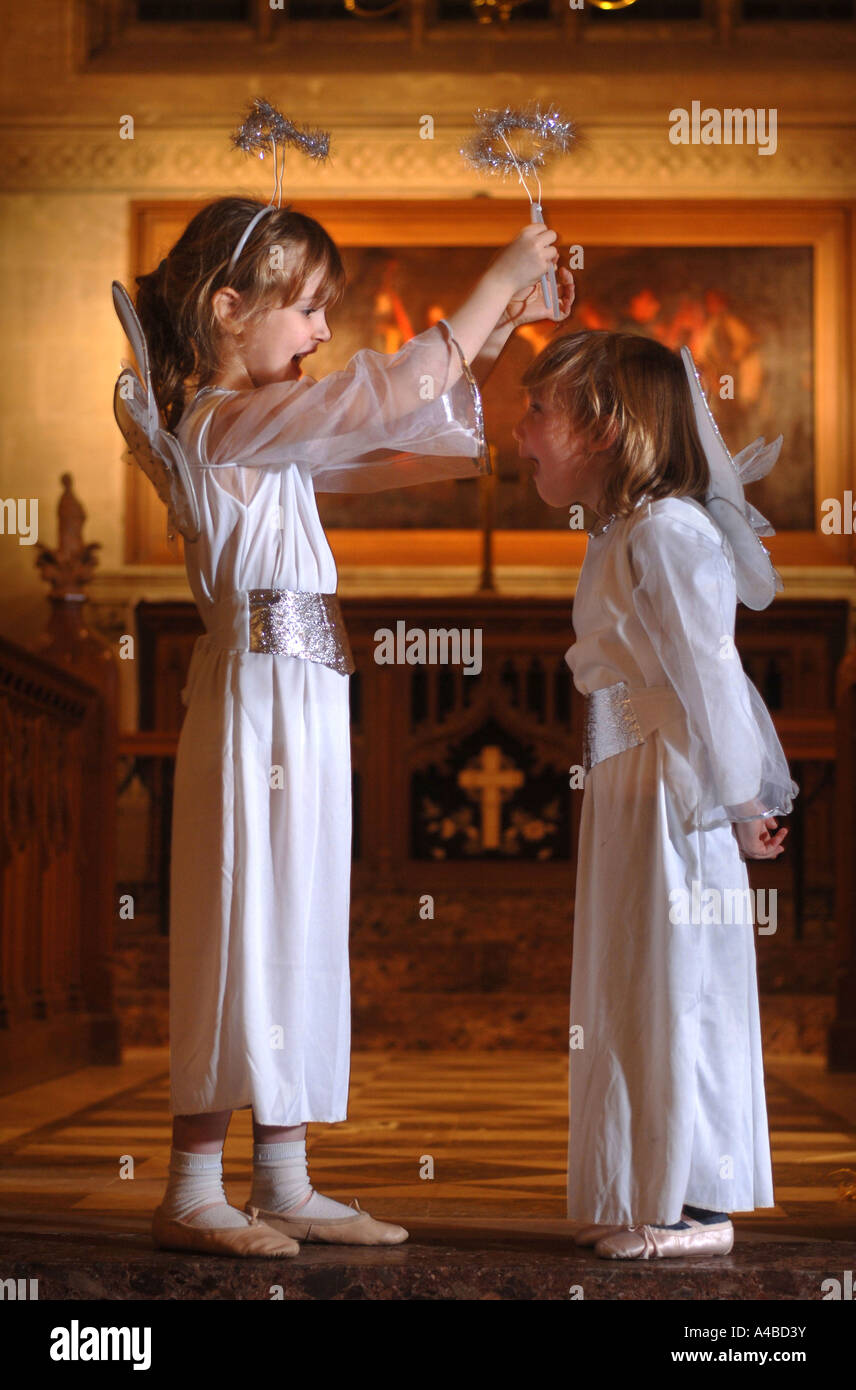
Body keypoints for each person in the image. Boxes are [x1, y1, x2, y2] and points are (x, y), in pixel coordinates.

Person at [123, 195, 572, 1257]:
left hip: (305, 695)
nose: (325, 333)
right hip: (253, 704)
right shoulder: (221, 422)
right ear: (227, 308)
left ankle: (282, 1175)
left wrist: (499, 331)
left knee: (299, 924)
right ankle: (190, 1186)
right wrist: (500, 276)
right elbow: (385, 394)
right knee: (246, 920)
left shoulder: (274, 433)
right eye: (308, 309)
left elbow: (396, 439)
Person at [512, 329, 798, 1260]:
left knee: (680, 981)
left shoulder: (668, 533)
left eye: (536, 411)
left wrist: (745, 796)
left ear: (600, 426)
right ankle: (645, 1181)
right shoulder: (625, 531)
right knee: (633, 978)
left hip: (681, 791)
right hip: (632, 782)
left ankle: (694, 1205)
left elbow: (709, 673)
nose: (519, 435)